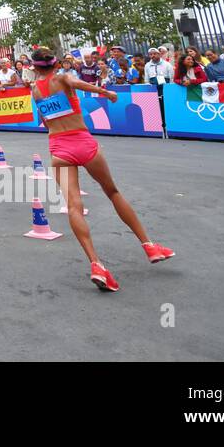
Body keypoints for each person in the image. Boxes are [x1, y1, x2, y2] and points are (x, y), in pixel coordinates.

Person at [28, 48, 174, 292]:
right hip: (83, 142)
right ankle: (148, 245)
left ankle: (96, 264)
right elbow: (76, 83)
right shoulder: (63, 78)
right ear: (55, 64)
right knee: (112, 192)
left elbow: (44, 119)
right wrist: (104, 91)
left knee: (73, 206)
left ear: (34, 68)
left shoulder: (35, 90)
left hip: (59, 148)